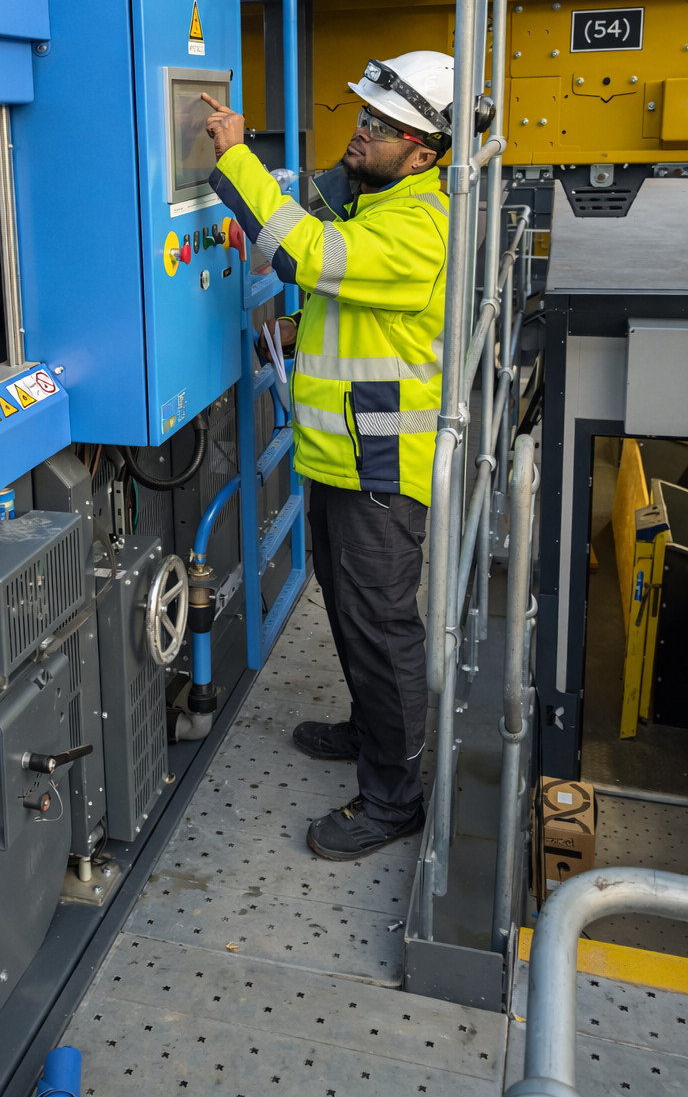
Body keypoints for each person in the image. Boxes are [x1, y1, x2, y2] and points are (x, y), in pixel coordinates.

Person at [203, 51, 461, 862]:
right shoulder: (385, 203)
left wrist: (236, 158)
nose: (363, 131)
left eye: (384, 126)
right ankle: (370, 730)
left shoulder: (417, 225)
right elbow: (354, 308)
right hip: (348, 454)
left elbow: (310, 256)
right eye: (365, 115)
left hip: (381, 466)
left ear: (422, 153)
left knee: (381, 628)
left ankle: (395, 799)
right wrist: (292, 330)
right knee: (353, 613)